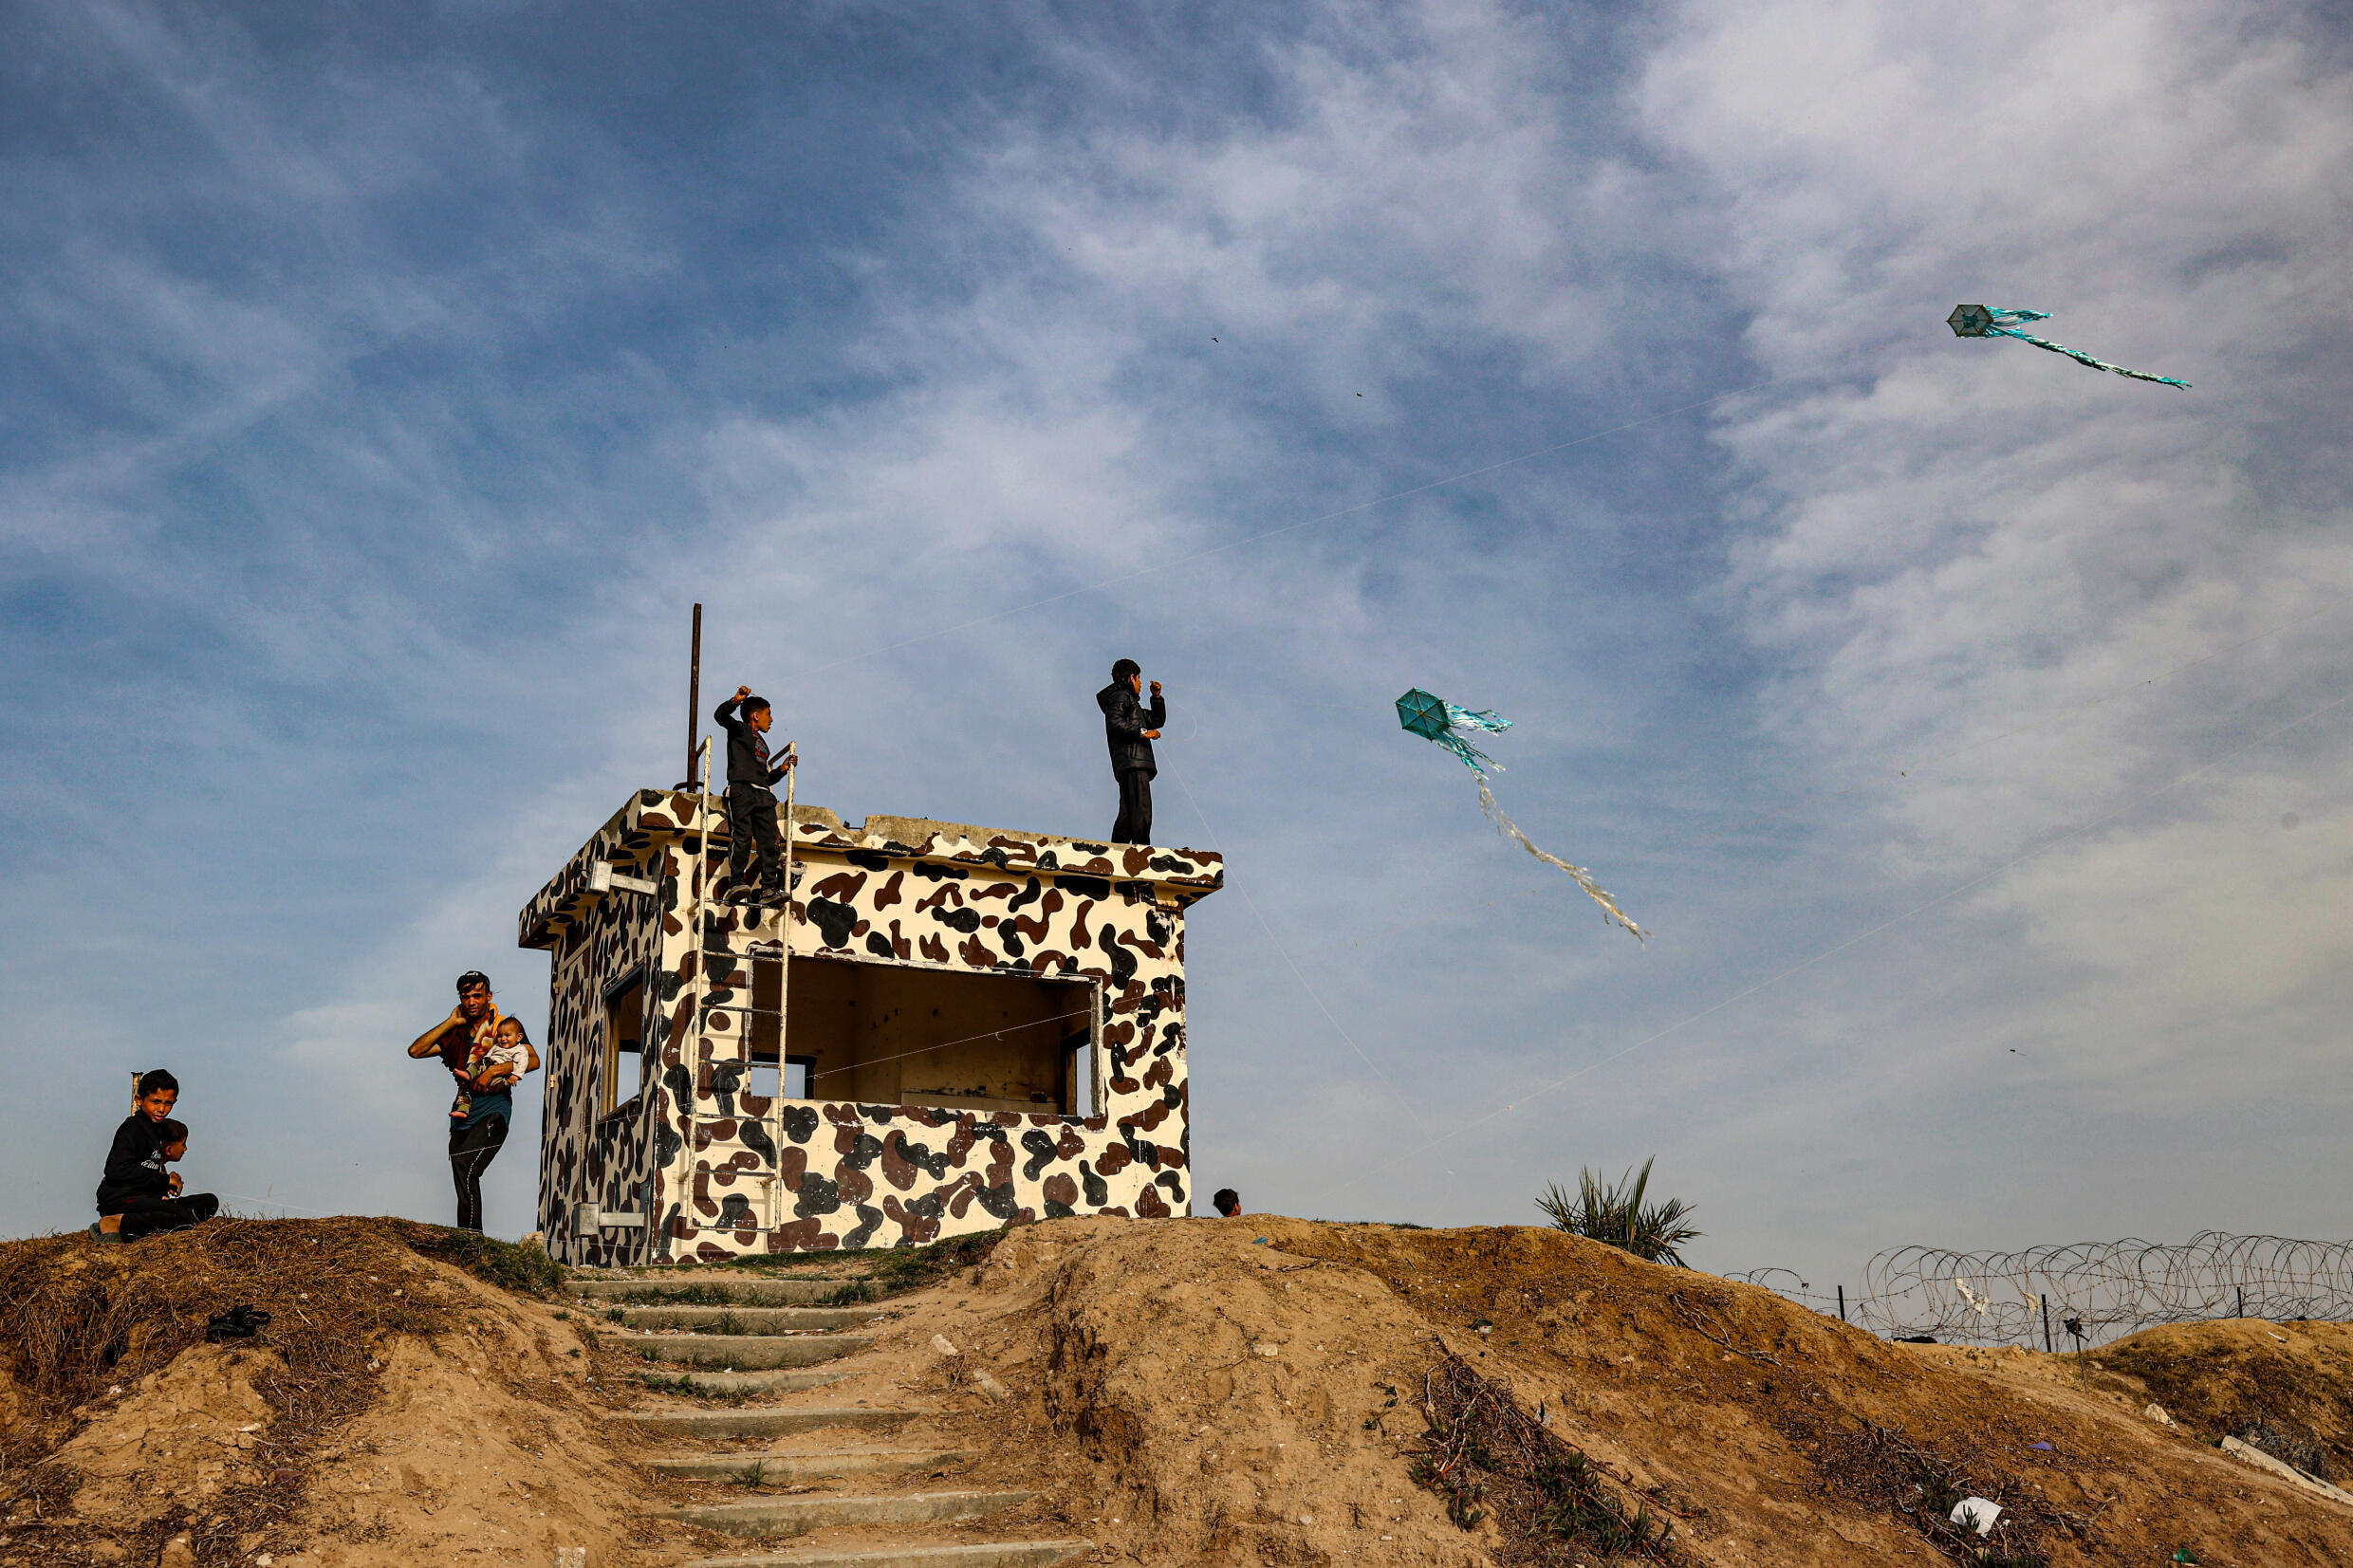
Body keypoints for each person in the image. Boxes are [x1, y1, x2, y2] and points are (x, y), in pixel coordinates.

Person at [408, 970, 536, 1232]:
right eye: (465, 997)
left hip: (493, 1110)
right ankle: (466, 1238)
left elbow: (532, 1060)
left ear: (488, 996)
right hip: (463, 1113)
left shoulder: (504, 1028)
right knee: (460, 1171)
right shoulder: (457, 1032)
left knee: (466, 1166)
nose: (471, 1001)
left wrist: (493, 1070)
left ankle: (472, 1240)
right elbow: (415, 1051)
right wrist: (450, 1021)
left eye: (477, 995)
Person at [94, 1070, 219, 1242]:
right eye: (156, 1102)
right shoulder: (132, 1128)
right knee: (182, 1218)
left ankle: (156, 1219)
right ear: (139, 1100)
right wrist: (163, 1180)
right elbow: (116, 1171)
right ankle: (114, 1223)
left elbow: (149, 1169)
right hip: (123, 1199)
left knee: (209, 1202)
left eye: (168, 1103)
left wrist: (164, 1183)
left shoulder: (156, 1131)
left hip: (145, 1199)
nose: (162, 1109)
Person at [714, 685, 796, 904]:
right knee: (742, 837)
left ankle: (768, 889)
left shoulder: (764, 745)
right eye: (768, 714)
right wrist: (736, 700)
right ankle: (736, 883)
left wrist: (781, 770)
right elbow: (720, 716)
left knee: (769, 842)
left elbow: (764, 779)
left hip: (762, 794)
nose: (771, 719)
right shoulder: (739, 729)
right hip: (742, 791)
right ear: (756, 715)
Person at [1097, 658, 1166, 845]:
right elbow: (1115, 723)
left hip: (1130, 761)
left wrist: (1156, 698)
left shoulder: (1130, 702)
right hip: (1133, 761)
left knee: (1128, 811)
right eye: (1139, 679)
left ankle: (1117, 849)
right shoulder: (1121, 697)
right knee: (1141, 808)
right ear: (1131, 677)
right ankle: (1141, 850)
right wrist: (1142, 733)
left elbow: (1156, 720)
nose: (1141, 683)